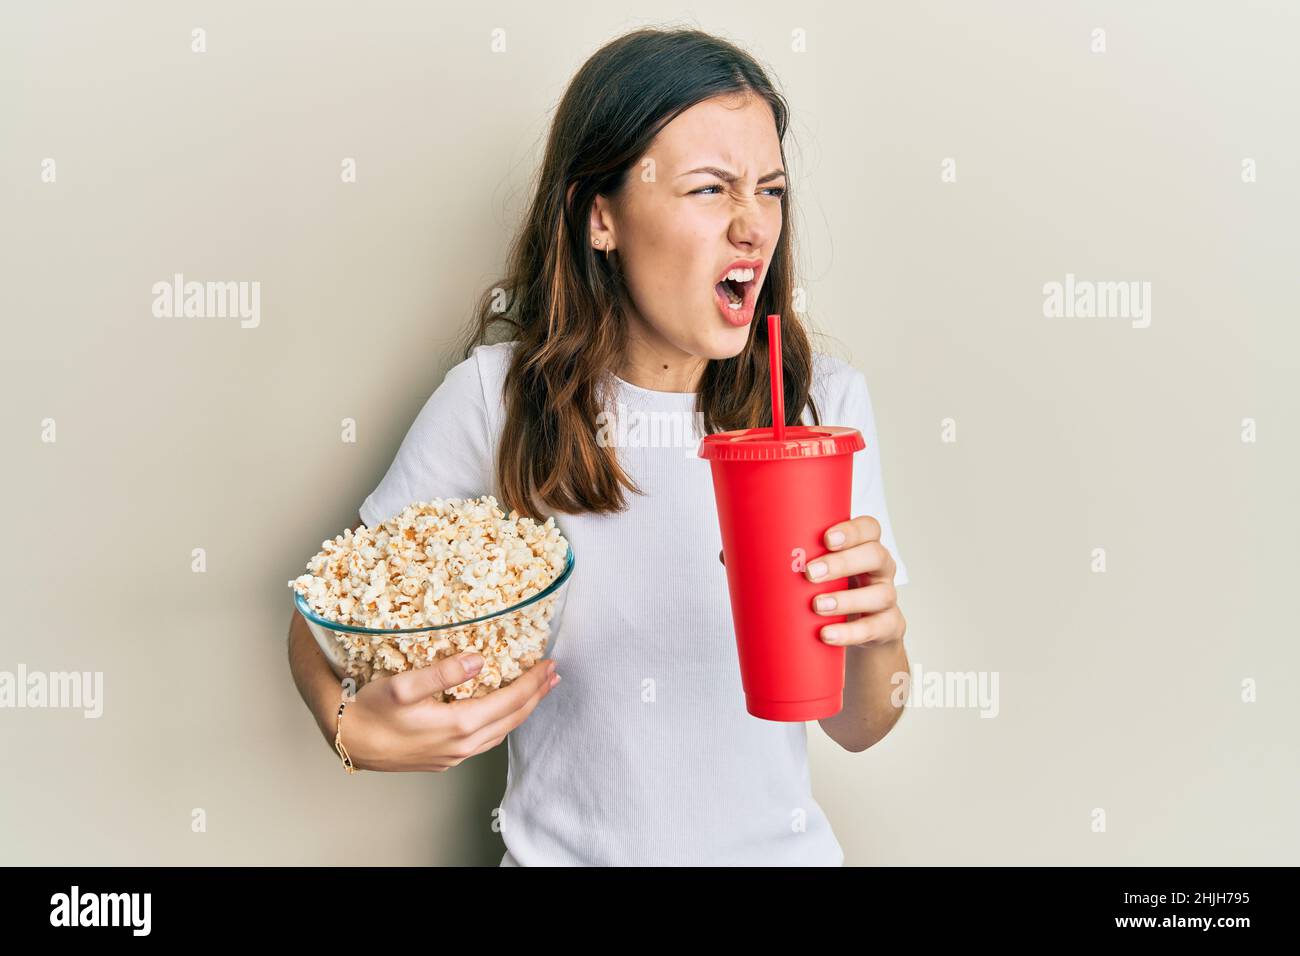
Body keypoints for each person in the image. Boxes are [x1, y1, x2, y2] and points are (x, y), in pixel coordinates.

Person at [288, 26, 911, 866]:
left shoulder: (818, 408)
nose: (752, 227)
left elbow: (859, 724)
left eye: (770, 190)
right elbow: (326, 616)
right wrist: (349, 729)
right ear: (601, 217)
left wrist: (876, 636)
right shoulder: (497, 401)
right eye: (708, 190)